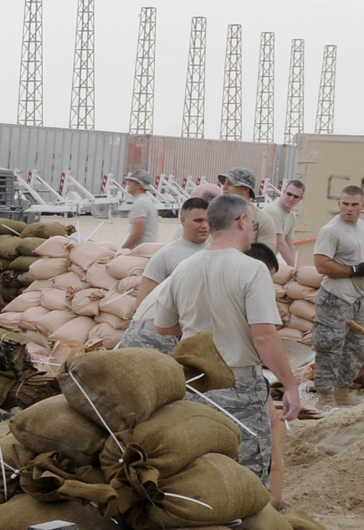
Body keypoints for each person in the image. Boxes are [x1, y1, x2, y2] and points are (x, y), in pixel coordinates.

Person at [139, 191, 301, 491]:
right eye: (251, 223)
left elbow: (164, 328)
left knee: (203, 471)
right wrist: (290, 385)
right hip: (239, 388)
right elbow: (264, 336)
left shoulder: (184, 268)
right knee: (246, 480)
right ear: (242, 222)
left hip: (196, 388)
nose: (252, 229)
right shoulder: (252, 269)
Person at [308, 184, 364, 409]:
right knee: (330, 348)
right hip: (335, 298)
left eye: (354, 205)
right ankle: (324, 398)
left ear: (363, 206)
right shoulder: (331, 230)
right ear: (339, 204)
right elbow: (321, 264)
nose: (349, 209)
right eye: (345, 204)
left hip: (355, 299)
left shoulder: (361, 226)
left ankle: (342, 393)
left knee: (355, 348)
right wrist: (354, 270)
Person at [118, 196, 209, 352]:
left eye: (208, 221)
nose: (205, 226)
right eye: (198, 221)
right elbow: (143, 302)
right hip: (160, 338)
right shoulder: (166, 255)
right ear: (183, 221)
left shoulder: (213, 252)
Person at [223, 168, 279, 261]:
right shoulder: (215, 215)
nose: (224, 187)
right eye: (224, 183)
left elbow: (267, 260)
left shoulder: (263, 220)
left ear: (245, 189)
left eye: (230, 183)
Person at [264, 179, 305, 266]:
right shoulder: (274, 211)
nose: (291, 198)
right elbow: (280, 243)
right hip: (256, 258)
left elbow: (290, 244)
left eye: (296, 196)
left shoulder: (292, 216)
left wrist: (293, 266)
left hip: (267, 260)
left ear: (300, 199)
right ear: (284, 192)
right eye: (289, 194)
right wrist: (293, 267)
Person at [119, 169, 158, 250]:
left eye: (131, 181)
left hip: (141, 250)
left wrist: (122, 249)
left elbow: (137, 233)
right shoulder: (145, 200)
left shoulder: (140, 202)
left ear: (139, 185)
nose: (127, 183)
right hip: (147, 249)